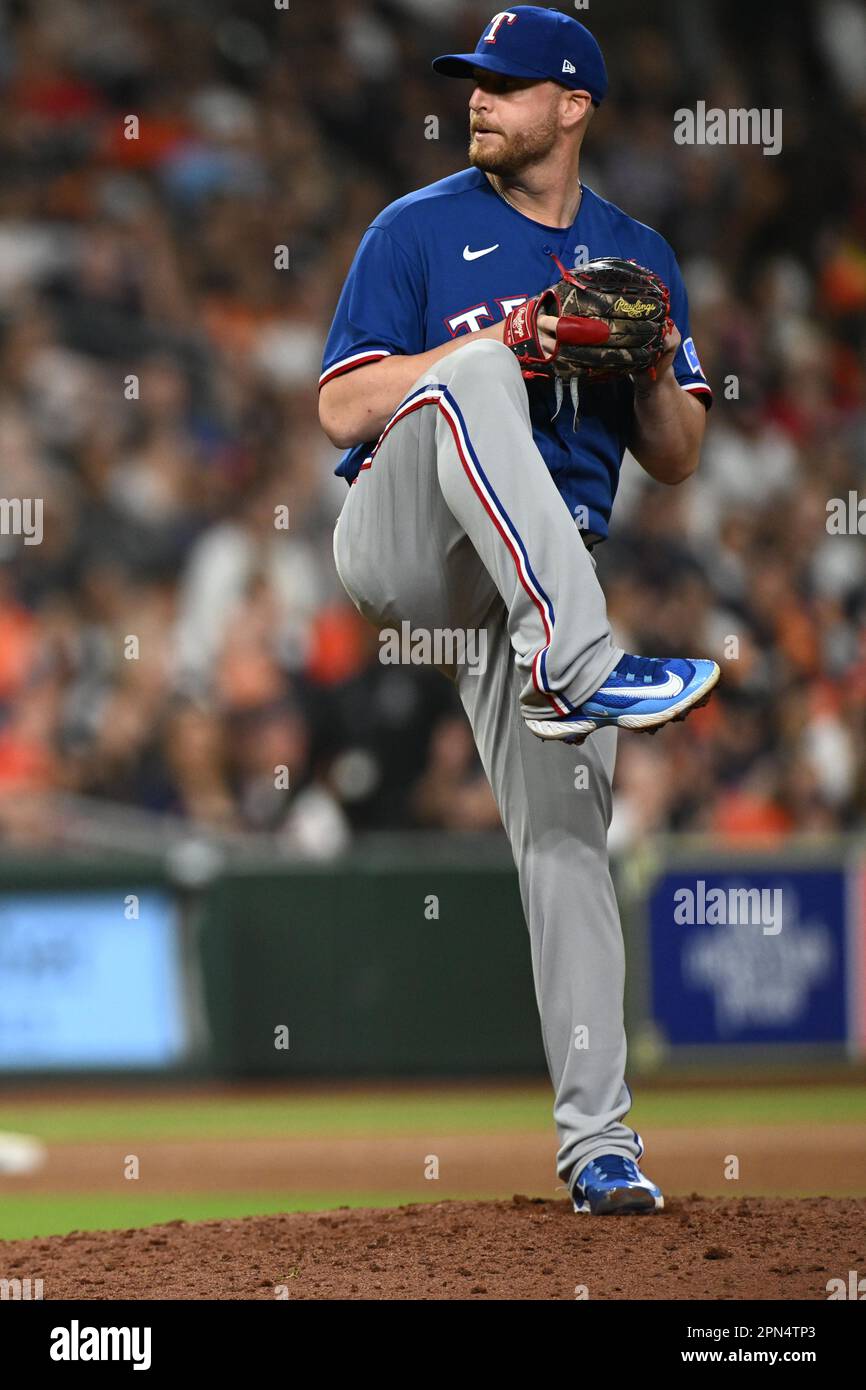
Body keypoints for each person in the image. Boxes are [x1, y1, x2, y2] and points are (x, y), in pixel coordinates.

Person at [318, 6, 718, 1215]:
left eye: (503, 83)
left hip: (546, 571)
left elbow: (682, 454)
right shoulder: (414, 229)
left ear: (572, 106)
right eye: (471, 82)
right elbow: (342, 410)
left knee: (565, 849)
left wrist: (643, 361)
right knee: (478, 371)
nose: (477, 100)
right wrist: (506, 339)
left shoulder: (632, 253)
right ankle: (578, 657)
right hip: (409, 540)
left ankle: (600, 1146)